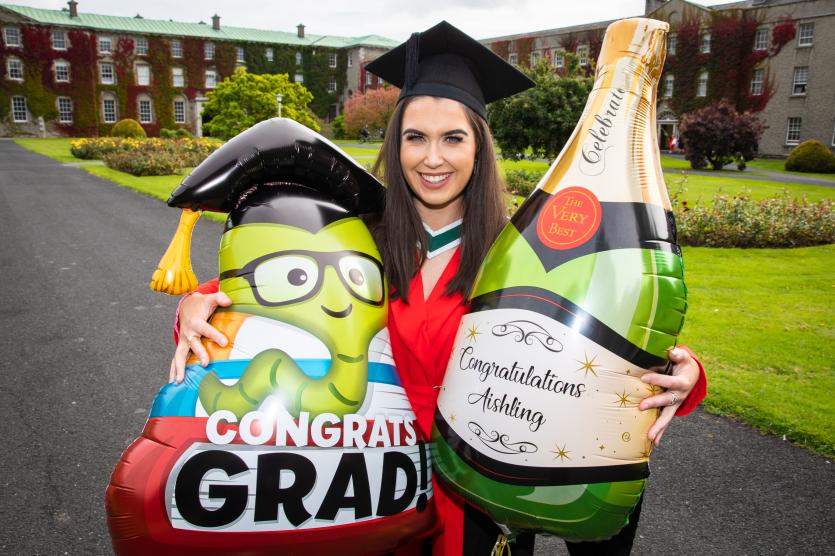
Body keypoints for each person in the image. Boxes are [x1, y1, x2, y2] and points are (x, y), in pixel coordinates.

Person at [170, 21, 706, 556]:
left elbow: (596, 333)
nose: (433, 158)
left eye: (453, 138)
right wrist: (198, 305)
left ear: (479, 148)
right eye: (415, 138)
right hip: (377, 484)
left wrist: (687, 376)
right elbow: (269, 294)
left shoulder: (521, 252)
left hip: (477, 496)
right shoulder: (361, 244)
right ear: (395, 145)